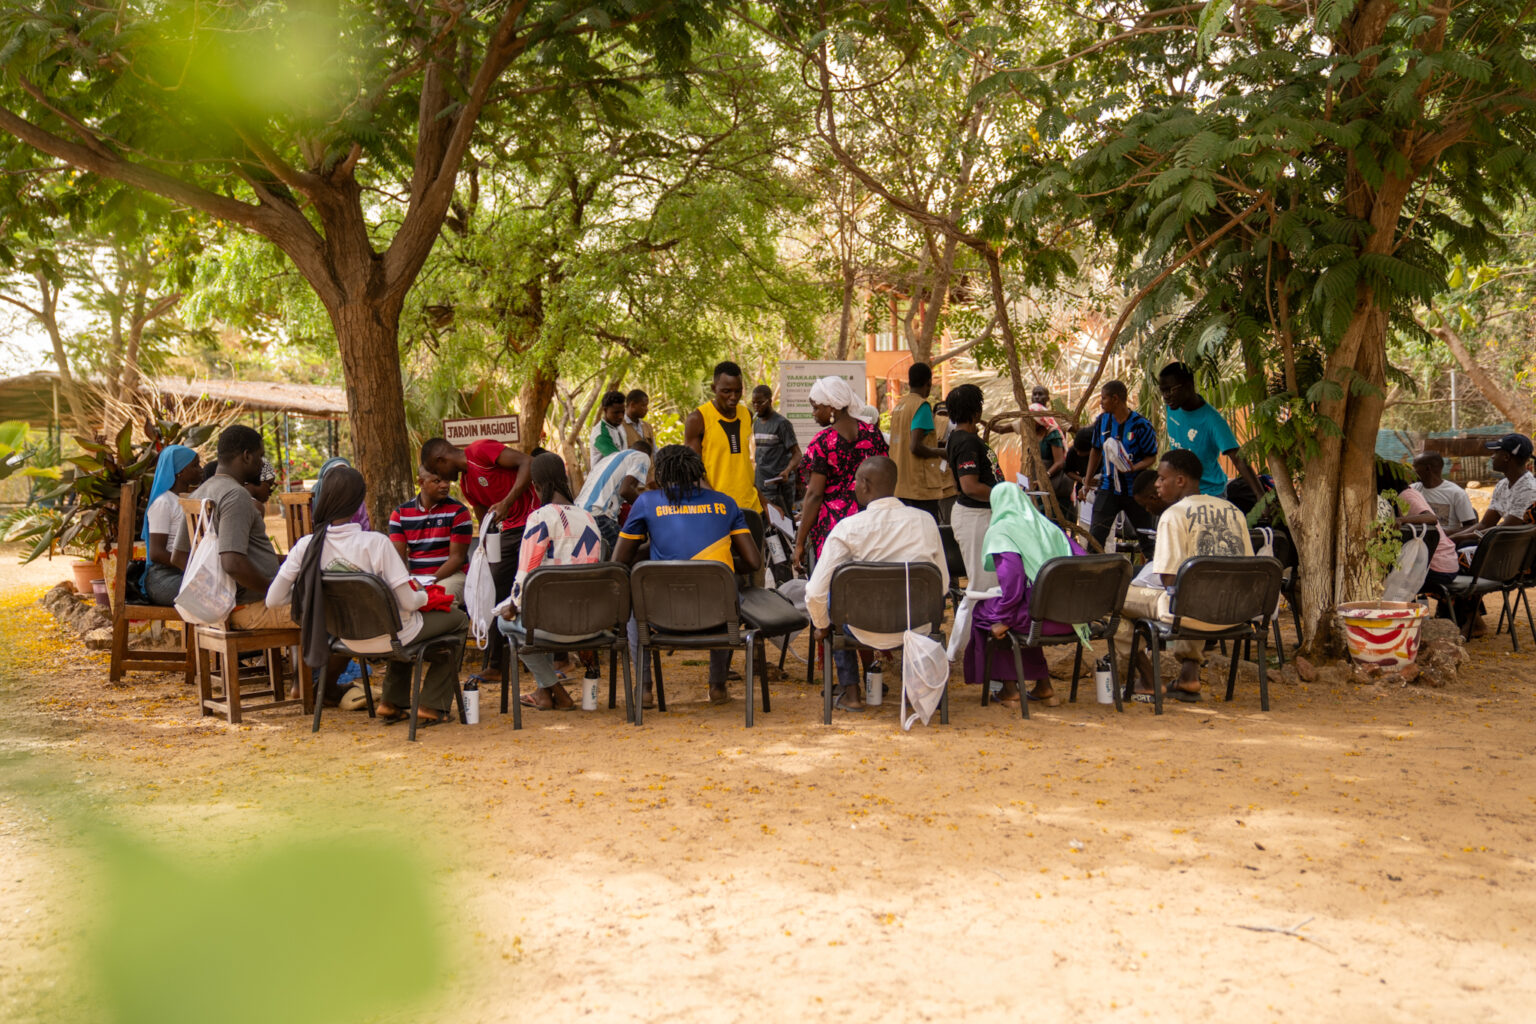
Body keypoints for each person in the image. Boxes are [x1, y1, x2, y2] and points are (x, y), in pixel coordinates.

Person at [268, 466, 469, 727]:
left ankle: (392, 702)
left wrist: (308, 593)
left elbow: (273, 599)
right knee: (458, 621)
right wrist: (422, 597)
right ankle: (432, 705)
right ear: (358, 504)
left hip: (344, 640)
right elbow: (407, 602)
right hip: (392, 636)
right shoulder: (375, 543)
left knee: (402, 622)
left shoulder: (306, 546)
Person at [613, 444, 762, 706]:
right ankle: (717, 686)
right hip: (717, 617)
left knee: (636, 606)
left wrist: (660, 548)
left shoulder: (647, 502)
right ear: (698, 470)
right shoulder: (726, 503)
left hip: (662, 615)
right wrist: (714, 564)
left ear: (660, 473)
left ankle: (645, 689)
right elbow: (753, 561)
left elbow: (619, 560)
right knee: (723, 590)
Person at [805, 457, 946, 712]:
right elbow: (942, 584)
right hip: (916, 625)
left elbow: (814, 592)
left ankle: (851, 693)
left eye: (856, 483)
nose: (854, 488)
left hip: (862, 629)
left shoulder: (847, 528)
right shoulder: (926, 521)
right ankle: (913, 693)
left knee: (831, 602)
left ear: (866, 485)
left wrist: (822, 626)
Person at [1113, 449, 1253, 703]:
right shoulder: (1233, 511)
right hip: (1233, 613)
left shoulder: (1173, 516)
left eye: (1161, 479)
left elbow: (1169, 582)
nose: (1156, 484)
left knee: (1108, 599)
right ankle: (1189, 675)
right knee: (1199, 591)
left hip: (1188, 614)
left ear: (1180, 481)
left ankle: (1147, 679)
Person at [420, 434, 537, 682]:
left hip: (532, 522)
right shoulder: (466, 485)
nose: (440, 478)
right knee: (492, 586)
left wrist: (508, 501)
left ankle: (558, 658)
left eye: (435, 470)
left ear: (441, 459)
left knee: (535, 583)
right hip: (507, 533)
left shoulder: (479, 451)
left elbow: (527, 462)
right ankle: (498, 663)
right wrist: (484, 543)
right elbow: (484, 514)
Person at [496, 454, 606, 711]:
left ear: (535, 485)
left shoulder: (539, 518)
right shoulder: (590, 520)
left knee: (507, 622)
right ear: (564, 479)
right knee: (531, 619)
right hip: (588, 624)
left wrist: (512, 605)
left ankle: (557, 691)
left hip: (549, 625)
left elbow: (525, 576)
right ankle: (543, 694)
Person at [966, 481, 1083, 708]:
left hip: (1042, 618)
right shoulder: (1048, 527)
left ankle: (1009, 689)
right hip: (1072, 616)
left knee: (988, 615)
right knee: (1025, 614)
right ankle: (1044, 687)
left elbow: (1012, 581)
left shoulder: (1002, 530)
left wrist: (1005, 618)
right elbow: (1079, 559)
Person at [172, 425, 289, 630]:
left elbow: (179, 557)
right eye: (260, 457)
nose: (262, 464)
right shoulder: (236, 495)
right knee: (329, 611)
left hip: (229, 607)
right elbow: (232, 563)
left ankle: (296, 663)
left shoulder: (199, 493)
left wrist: (215, 592)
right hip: (250, 607)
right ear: (246, 456)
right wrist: (273, 590)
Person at [792, 375, 889, 569]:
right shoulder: (873, 434)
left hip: (834, 531)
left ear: (832, 407)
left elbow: (814, 495)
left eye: (816, 407)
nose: (813, 413)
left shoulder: (822, 443)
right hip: (871, 525)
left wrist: (800, 542)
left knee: (835, 586)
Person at [684, 361, 765, 577]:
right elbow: (692, 473)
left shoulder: (746, 414)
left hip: (750, 509)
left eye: (738, 391)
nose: (733, 396)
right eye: (726, 391)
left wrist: (765, 502)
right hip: (716, 513)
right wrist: (716, 502)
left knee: (755, 575)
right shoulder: (698, 419)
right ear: (713, 389)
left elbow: (745, 464)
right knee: (723, 576)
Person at [1157, 361, 1264, 501]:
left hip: (1210, 494)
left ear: (1189, 386)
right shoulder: (1172, 407)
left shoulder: (1212, 421)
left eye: (1170, 390)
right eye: (1163, 391)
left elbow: (1238, 459)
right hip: (1181, 491)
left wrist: (1261, 496)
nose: (1166, 396)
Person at [1084, 380, 1159, 556]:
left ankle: (1154, 574)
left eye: (1103, 398)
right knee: (1096, 538)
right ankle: (1092, 576)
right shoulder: (1102, 421)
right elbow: (1096, 450)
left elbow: (1151, 457)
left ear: (1115, 399)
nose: (1100, 403)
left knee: (1146, 538)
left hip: (1135, 490)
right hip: (1107, 488)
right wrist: (1087, 481)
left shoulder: (1141, 425)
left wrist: (1134, 467)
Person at [945, 383, 1004, 591]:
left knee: (990, 582)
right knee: (983, 585)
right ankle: (973, 624)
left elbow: (955, 480)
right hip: (975, 517)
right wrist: (1005, 495)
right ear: (976, 411)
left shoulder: (959, 438)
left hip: (980, 515)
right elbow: (969, 486)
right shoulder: (966, 442)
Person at [388, 467, 473, 601]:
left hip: (451, 575)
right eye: (437, 481)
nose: (445, 485)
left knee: (441, 598)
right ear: (421, 483)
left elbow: (457, 558)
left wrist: (430, 581)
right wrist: (408, 583)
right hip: (416, 577)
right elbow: (398, 558)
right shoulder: (400, 514)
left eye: (447, 480)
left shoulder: (459, 511)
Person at [141, 444, 202, 606]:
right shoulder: (163, 503)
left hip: (183, 571)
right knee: (208, 592)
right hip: (163, 578)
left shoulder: (188, 500)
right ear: (180, 471)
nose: (200, 469)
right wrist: (192, 565)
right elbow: (156, 553)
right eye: (195, 465)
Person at [889, 362, 951, 520]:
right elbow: (915, 446)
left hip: (899, 484)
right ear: (928, 382)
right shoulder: (921, 406)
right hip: (919, 488)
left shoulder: (899, 406)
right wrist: (942, 452)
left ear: (909, 382)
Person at [1449, 434, 1536, 544]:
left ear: (1506, 457)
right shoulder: (1503, 485)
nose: (1492, 457)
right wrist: (1452, 538)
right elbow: (1485, 524)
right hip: (1503, 542)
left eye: (1496, 453)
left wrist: (1459, 538)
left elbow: (1505, 530)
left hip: (1517, 548)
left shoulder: (1529, 490)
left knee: (1463, 547)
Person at [577, 440, 652, 553]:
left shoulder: (607, 459)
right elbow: (626, 491)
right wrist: (650, 512)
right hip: (600, 515)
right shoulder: (642, 456)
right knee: (626, 557)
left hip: (579, 515)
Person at [749, 385, 801, 516]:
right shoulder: (756, 424)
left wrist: (787, 471)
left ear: (770, 401)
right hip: (762, 485)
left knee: (784, 522)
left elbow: (797, 454)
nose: (756, 406)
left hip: (779, 487)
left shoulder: (782, 424)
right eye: (753, 403)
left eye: (760, 402)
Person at [1411, 450, 1477, 534]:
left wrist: (1444, 534)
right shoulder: (1413, 490)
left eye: (1415, 467)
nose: (1412, 471)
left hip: (1446, 543)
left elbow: (1471, 526)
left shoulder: (1456, 493)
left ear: (1428, 468)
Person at [1029, 402, 1071, 512]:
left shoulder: (1051, 434)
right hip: (1035, 483)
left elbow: (1059, 462)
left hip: (1051, 484)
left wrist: (1044, 477)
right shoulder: (1031, 434)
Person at [313, 457, 370, 529]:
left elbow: (365, 526)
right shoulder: (311, 500)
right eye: (335, 477)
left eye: (345, 477)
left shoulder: (357, 502)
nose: (341, 481)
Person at [589, 391, 628, 467]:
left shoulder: (619, 426)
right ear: (605, 410)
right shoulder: (600, 434)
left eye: (623, 412)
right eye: (616, 413)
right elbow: (617, 460)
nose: (620, 416)